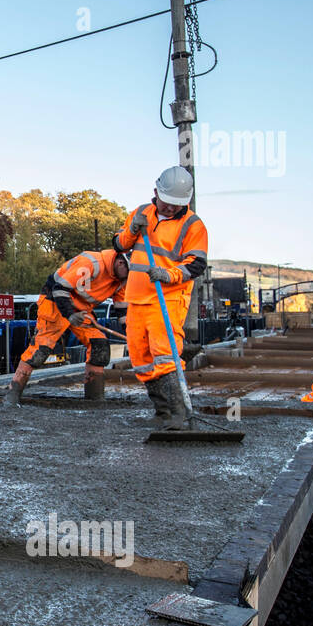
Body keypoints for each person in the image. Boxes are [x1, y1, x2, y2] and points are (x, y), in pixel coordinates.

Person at [111, 165, 208, 429]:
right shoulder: (142, 212)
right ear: (156, 192)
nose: (172, 209)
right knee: (140, 359)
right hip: (137, 297)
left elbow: (197, 264)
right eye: (168, 203)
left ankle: (179, 413)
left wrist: (169, 275)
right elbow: (119, 245)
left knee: (165, 356)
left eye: (178, 205)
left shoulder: (193, 225)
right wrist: (132, 229)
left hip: (168, 298)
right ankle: (162, 411)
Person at [5, 248, 129, 406]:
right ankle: (12, 394)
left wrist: (132, 335)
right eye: (130, 272)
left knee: (99, 345)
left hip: (81, 310)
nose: (131, 277)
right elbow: (59, 289)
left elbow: (122, 311)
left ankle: (95, 398)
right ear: (120, 263)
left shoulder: (121, 280)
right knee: (40, 350)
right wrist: (70, 314)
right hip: (55, 302)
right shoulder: (91, 263)